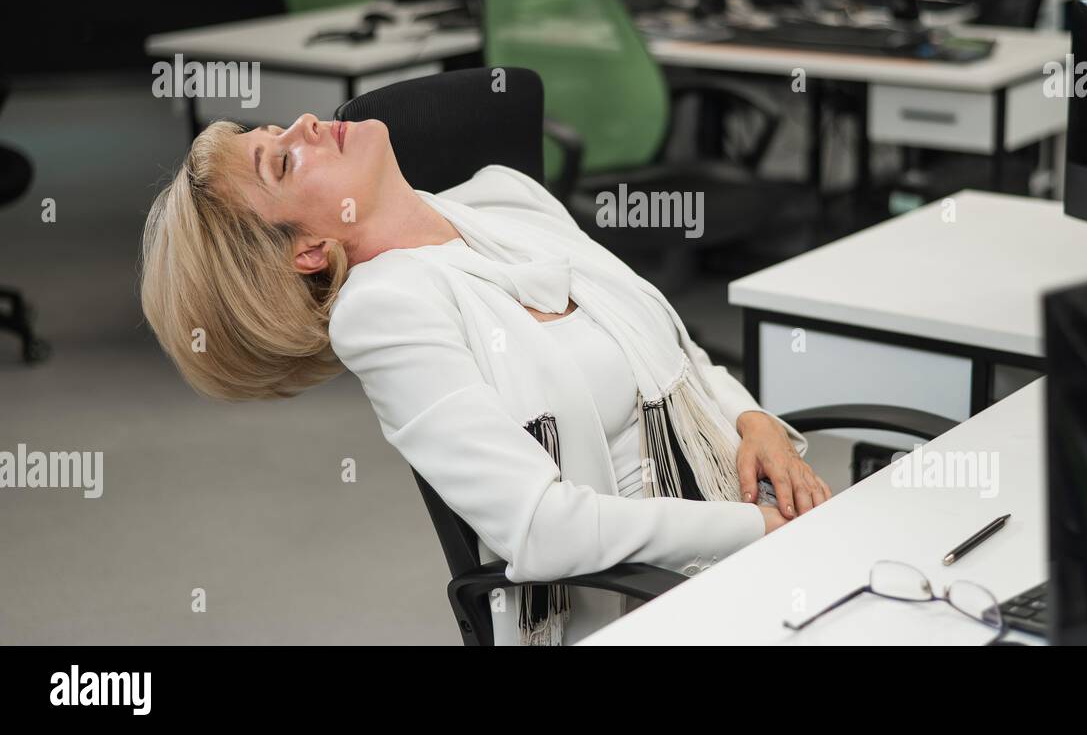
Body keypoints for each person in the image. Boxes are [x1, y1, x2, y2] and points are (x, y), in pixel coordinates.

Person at [141, 113, 831, 644]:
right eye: (284, 160)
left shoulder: (504, 198)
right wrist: (755, 531)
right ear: (309, 251)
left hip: (750, 537)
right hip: (656, 602)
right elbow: (540, 530)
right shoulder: (386, 311)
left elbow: (669, 344)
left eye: (277, 126)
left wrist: (752, 421)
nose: (308, 125)